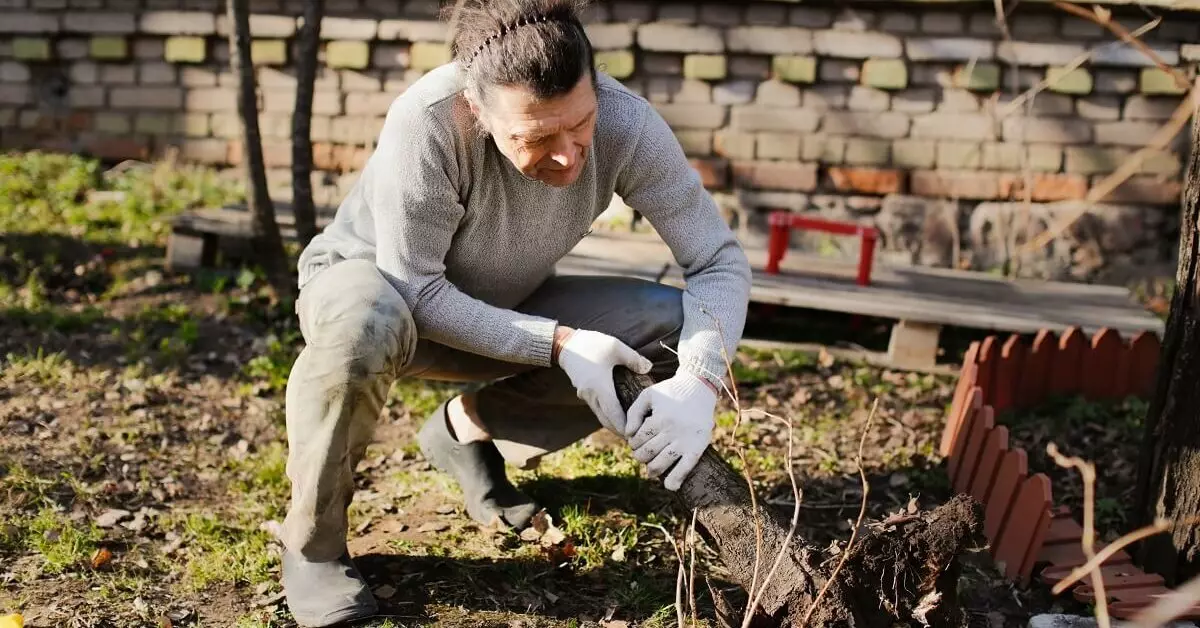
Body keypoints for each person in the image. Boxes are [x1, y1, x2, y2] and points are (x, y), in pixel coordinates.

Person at [278, 0, 752, 624]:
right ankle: (312, 548)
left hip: (502, 305)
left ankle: (469, 428)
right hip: (380, 295)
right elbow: (415, 286)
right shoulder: (426, 121)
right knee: (364, 325)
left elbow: (717, 260)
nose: (568, 155)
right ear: (476, 111)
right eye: (535, 138)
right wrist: (558, 344)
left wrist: (698, 378)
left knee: (665, 327)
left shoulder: (627, 124)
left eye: (579, 123)